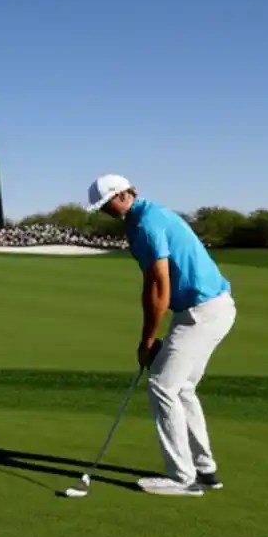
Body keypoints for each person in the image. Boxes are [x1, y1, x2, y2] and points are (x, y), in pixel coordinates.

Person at [87, 174, 235, 497]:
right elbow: (150, 285)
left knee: (161, 386)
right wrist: (150, 337)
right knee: (181, 387)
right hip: (211, 309)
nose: (104, 211)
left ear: (124, 193)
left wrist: (147, 340)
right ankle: (205, 468)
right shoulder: (143, 217)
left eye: (106, 203)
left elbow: (159, 286)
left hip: (201, 312)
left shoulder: (147, 223)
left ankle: (183, 477)